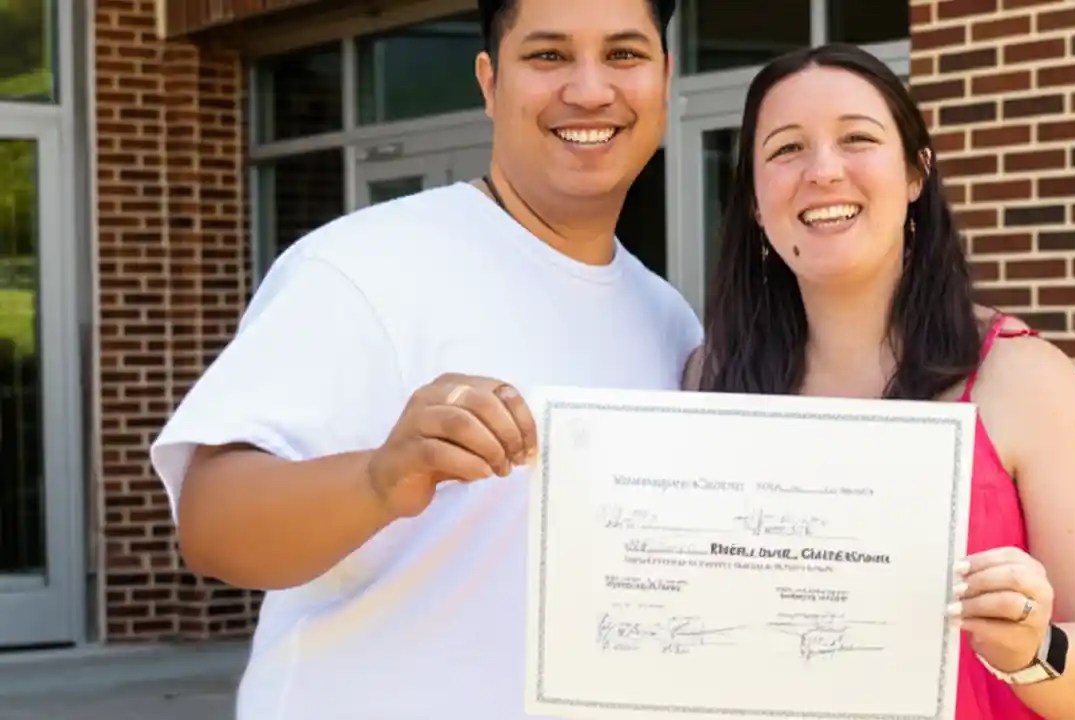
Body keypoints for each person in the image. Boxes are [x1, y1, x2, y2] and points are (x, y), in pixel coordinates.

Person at [149, 0, 697, 717]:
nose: (590, 90)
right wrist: (382, 477)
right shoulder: (360, 265)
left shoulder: (670, 322)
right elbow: (212, 524)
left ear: (665, 77)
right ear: (489, 82)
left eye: (624, 55)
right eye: (548, 55)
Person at [688, 44, 1075, 719]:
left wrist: (1032, 649)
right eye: (785, 150)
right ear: (752, 198)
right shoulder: (709, 383)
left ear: (917, 173)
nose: (823, 171)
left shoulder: (1020, 378)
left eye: (857, 138)